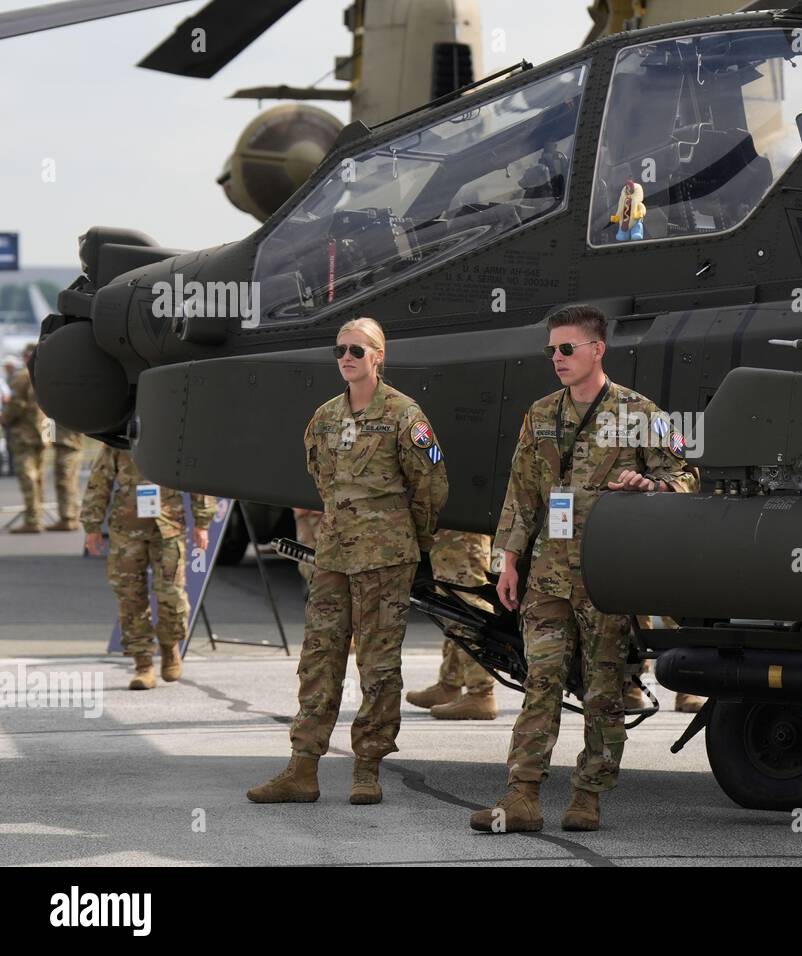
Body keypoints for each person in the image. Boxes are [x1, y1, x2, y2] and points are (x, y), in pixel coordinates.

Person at [470, 304, 698, 834]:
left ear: (598, 349)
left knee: (603, 689)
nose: (557, 357)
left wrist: (652, 487)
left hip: (608, 574)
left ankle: (589, 795)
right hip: (549, 572)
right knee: (540, 681)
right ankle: (522, 795)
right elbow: (522, 493)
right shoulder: (541, 414)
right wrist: (507, 560)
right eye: (552, 349)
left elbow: (685, 478)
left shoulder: (640, 413)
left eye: (567, 348)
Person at [248, 317, 447, 806]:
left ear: (379, 356)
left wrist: (406, 538)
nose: (346, 358)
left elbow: (431, 486)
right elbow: (322, 479)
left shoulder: (405, 415)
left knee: (378, 663)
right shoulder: (326, 417)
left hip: (385, 556)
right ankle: (303, 767)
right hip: (334, 553)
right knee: (319, 656)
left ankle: (367, 767)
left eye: (357, 350)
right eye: (339, 350)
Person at [82, 445, 214, 689]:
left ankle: (170, 646)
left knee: (172, 593)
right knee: (130, 596)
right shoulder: (118, 438)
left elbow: (196, 474)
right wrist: (92, 525)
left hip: (169, 527)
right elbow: (99, 480)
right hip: (127, 529)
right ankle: (143, 664)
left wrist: (203, 521)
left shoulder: (174, 431)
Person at [405, 529, 499, 720]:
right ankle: (450, 683)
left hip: (462, 527)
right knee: (451, 602)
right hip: (452, 526)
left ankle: (481, 692)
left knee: (467, 603)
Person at [2, 345, 50, 533]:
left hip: (24, 436)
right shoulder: (48, 376)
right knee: (39, 477)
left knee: (28, 477)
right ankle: (37, 516)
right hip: (44, 434)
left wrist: (4, 419)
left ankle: (33, 519)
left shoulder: (22, 377)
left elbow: (15, 406)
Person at [48, 424, 85, 531]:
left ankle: (68, 518)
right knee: (70, 483)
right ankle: (72, 517)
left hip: (67, 446)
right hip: (69, 445)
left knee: (64, 483)